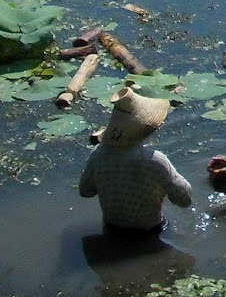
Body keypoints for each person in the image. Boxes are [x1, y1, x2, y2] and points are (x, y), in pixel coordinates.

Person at [79, 84, 194, 237]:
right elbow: (184, 199)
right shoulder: (156, 160)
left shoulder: (98, 155)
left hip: (112, 230)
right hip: (150, 232)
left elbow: (85, 191)